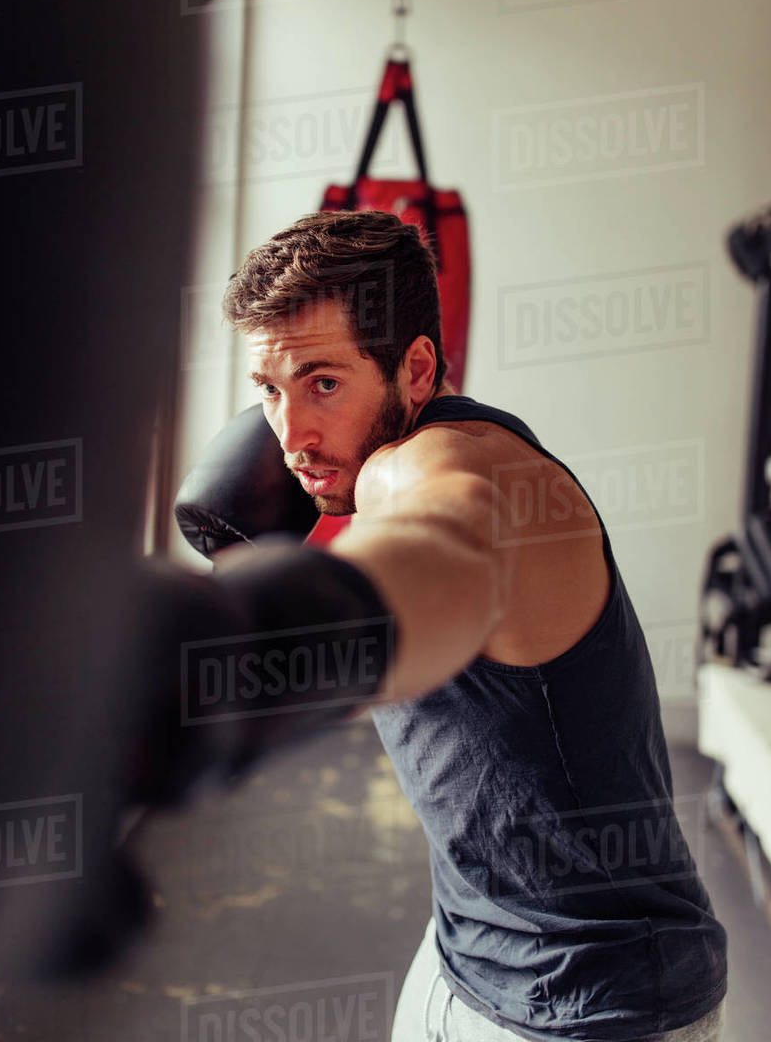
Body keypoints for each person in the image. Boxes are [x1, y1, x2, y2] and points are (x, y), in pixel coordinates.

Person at [214, 208, 729, 1042]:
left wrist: (285, 640)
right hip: (465, 950)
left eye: (324, 382)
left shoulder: (445, 468)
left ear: (417, 368)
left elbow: (446, 543)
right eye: (269, 391)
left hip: (603, 1004)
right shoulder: (393, 449)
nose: (290, 434)